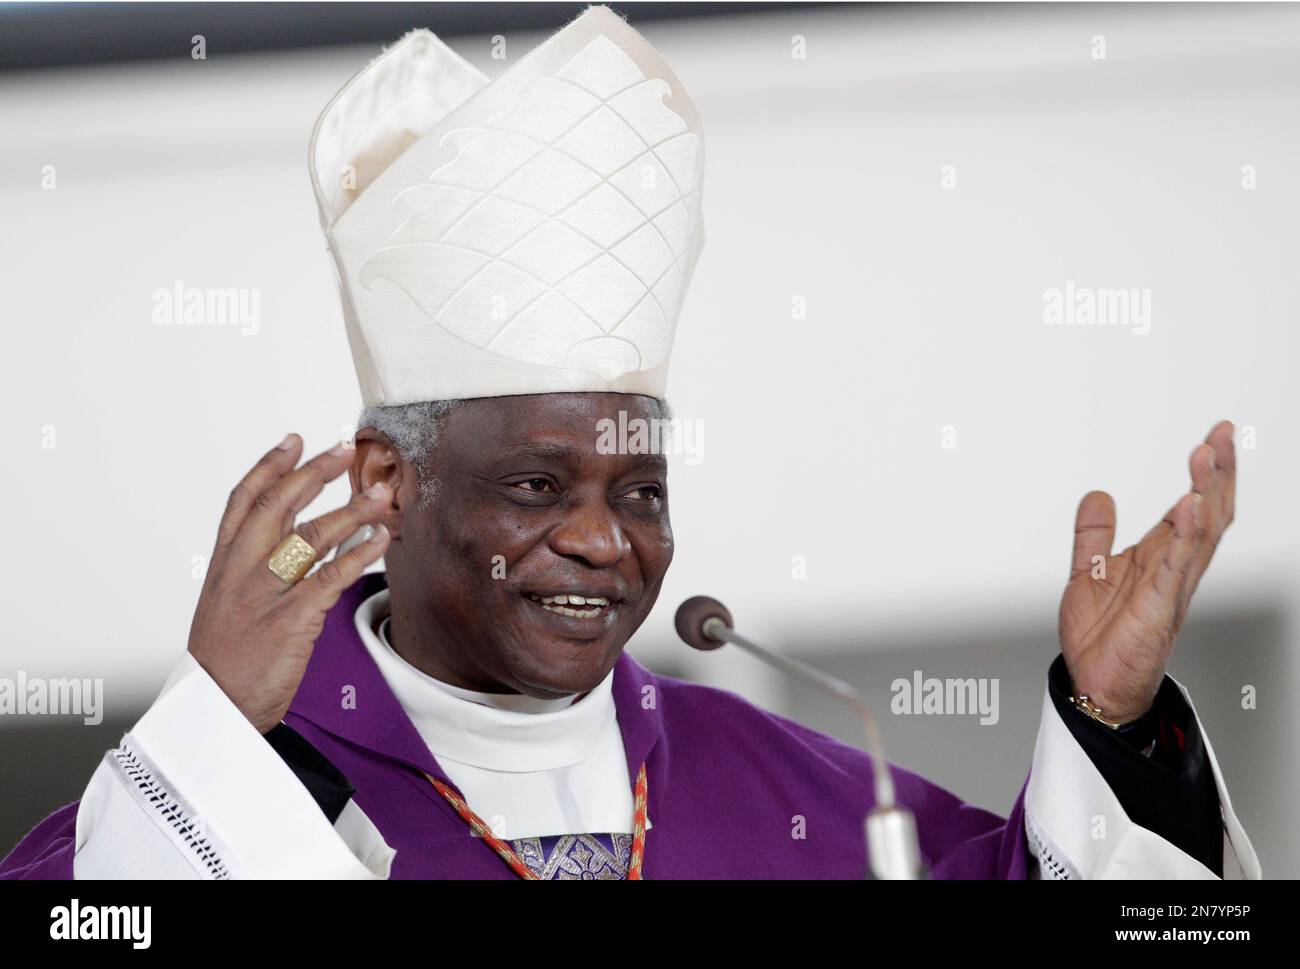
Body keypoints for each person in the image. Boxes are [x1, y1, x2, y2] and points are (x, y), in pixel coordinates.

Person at [1, 6, 1257, 880]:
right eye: (538, 484)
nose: (605, 540)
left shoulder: (790, 789)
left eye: (641, 488)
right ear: (388, 482)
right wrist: (215, 727)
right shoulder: (237, 786)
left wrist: (1108, 713)